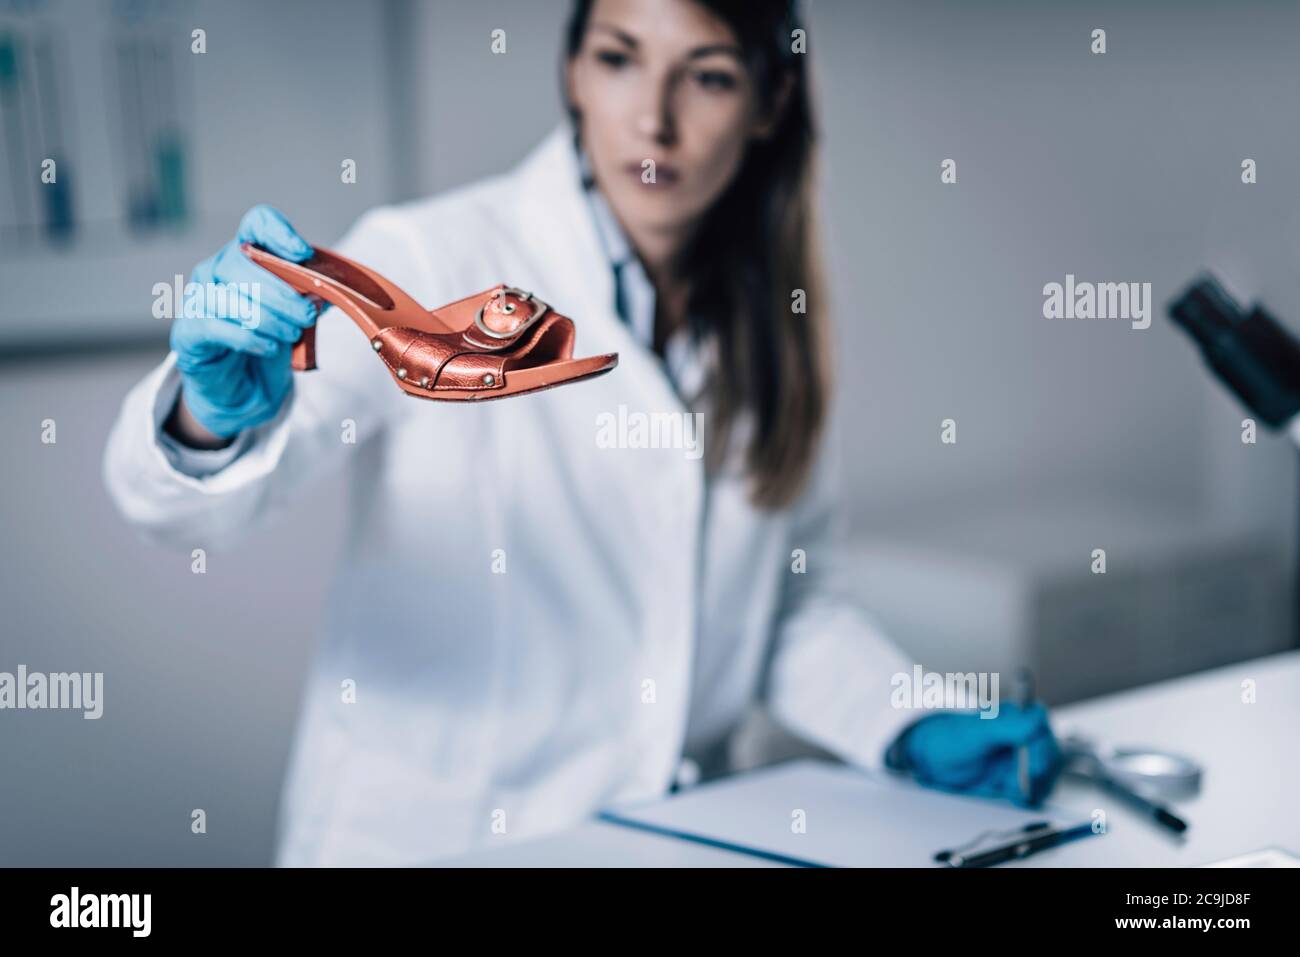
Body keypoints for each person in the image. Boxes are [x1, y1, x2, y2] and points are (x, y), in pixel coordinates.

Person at [102, 0, 1059, 866]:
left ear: (771, 104)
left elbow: (791, 610)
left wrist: (906, 717)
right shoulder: (432, 257)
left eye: (711, 75)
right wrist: (207, 414)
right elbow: (188, 511)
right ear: (571, 75)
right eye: (618, 58)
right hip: (434, 846)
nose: (655, 118)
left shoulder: (777, 316)